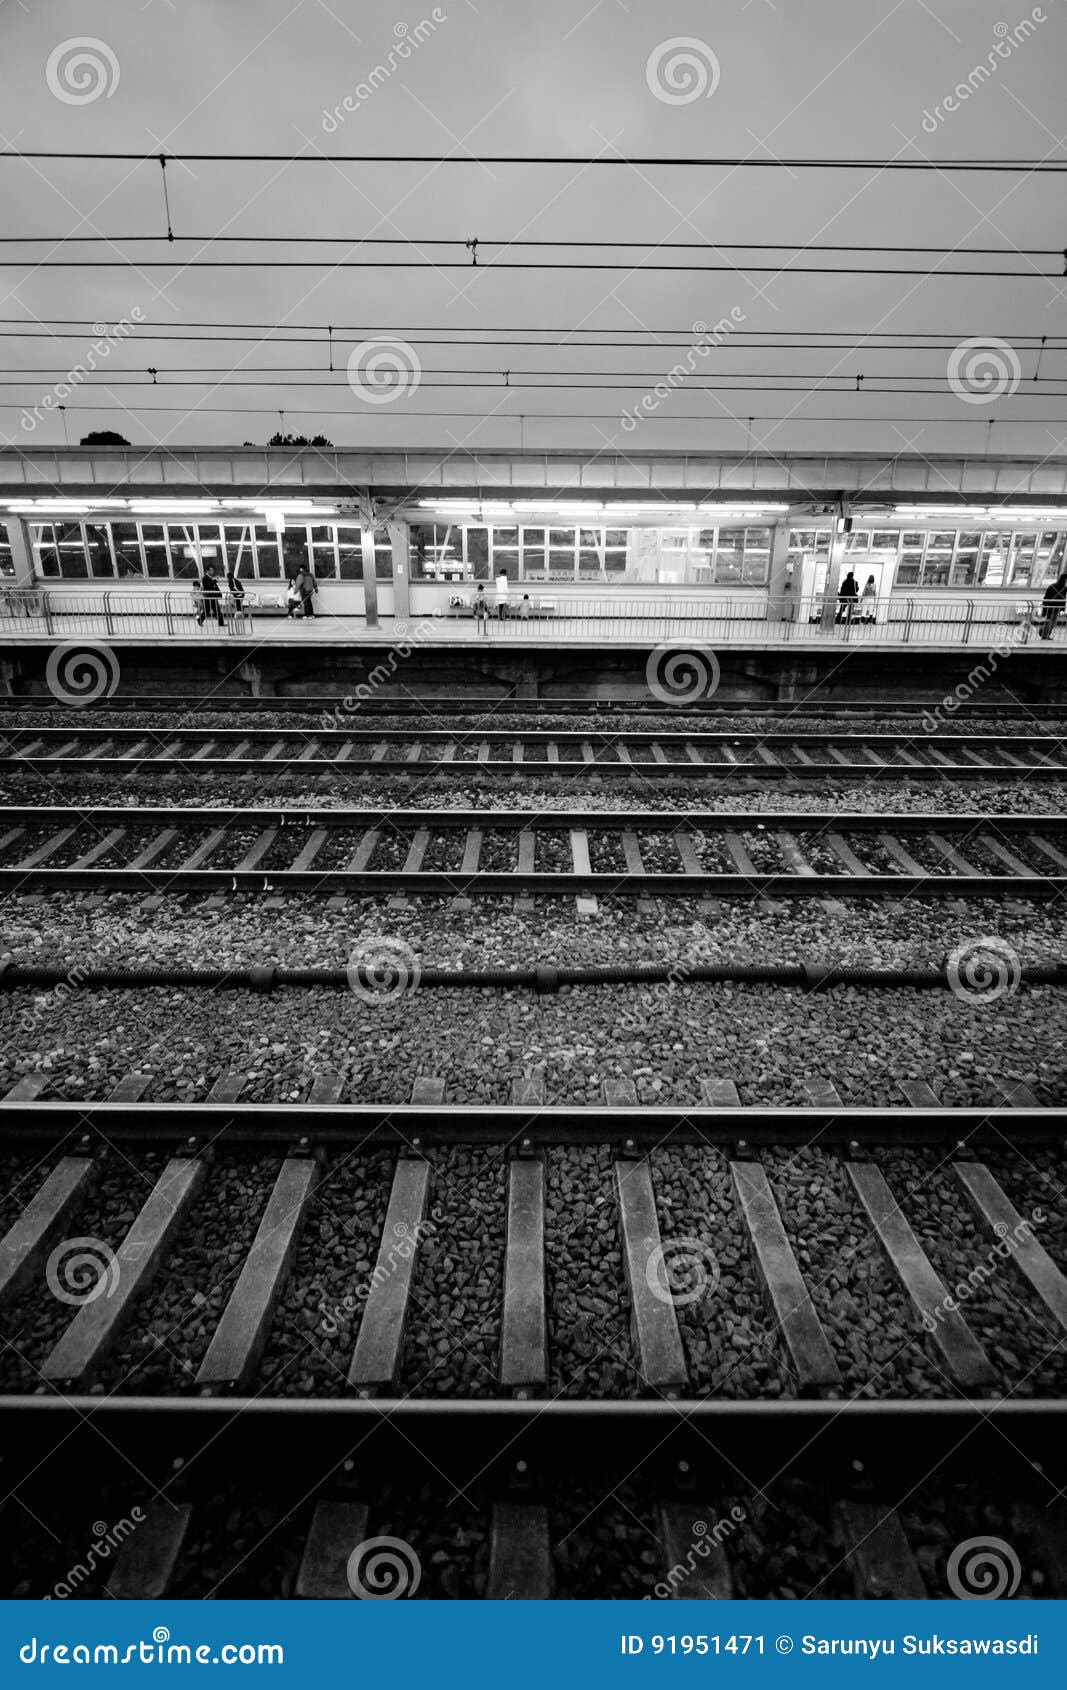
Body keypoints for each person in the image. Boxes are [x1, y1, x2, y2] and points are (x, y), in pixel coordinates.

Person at [1039, 570, 1067, 640]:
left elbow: (1045, 597)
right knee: (1050, 621)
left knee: (1052, 622)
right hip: (1050, 607)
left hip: (1053, 607)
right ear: (1064, 580)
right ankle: (1045, 635)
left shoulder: (1062, 588)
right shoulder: (1054, 587)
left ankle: (1045, 632)